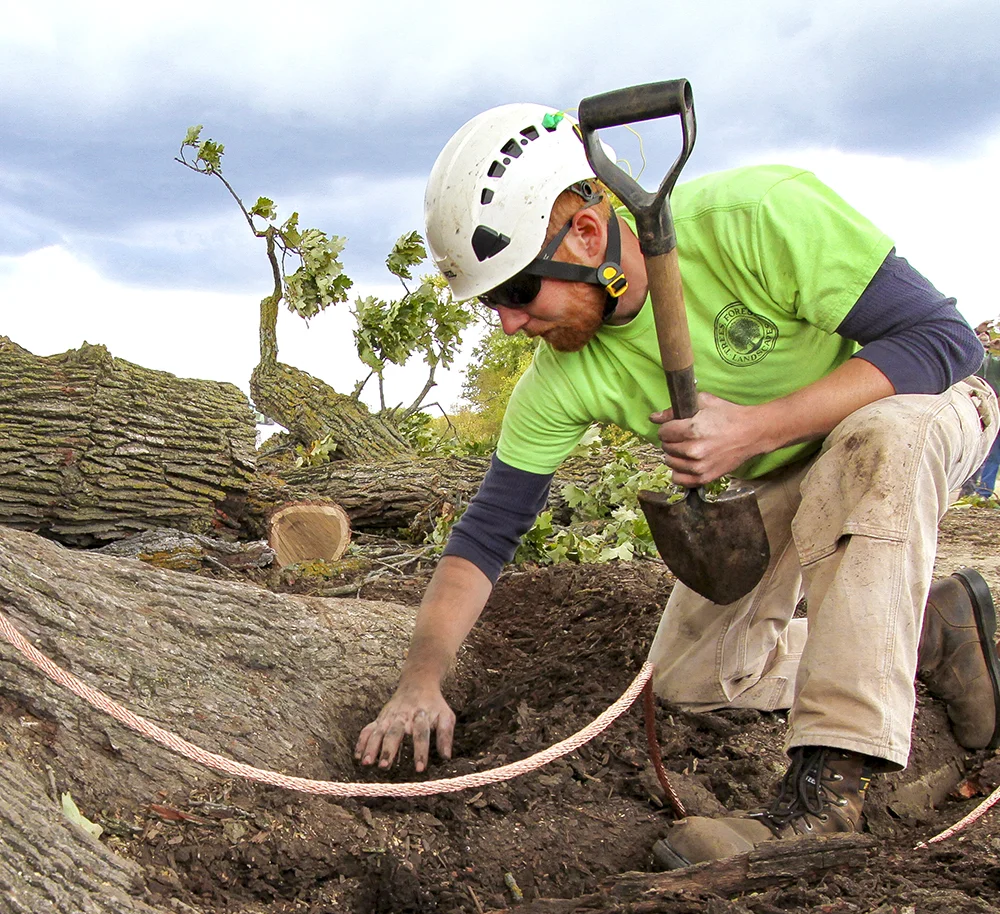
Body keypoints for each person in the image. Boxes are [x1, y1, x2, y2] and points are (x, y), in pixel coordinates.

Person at [355, 103, 1000, 867]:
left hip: (918, 411)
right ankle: (932, 628)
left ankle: (831, 792)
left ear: (587, 236)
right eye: (491, 302)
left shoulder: (755, 214)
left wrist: (758, 426)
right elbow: (486, 536)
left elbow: (943, 343)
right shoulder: (558, 380)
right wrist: (419, 681)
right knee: (695, 677)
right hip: (786, 469)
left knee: (873, 440)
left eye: (517, 291)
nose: (507, 324)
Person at [970, 322, 1000, 498]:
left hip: (994, 411)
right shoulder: (984, 361)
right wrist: (978, 333)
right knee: (980, 452)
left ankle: (983, 491)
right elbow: (966, 348)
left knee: (993, 454)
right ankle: (977, 491)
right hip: (981, 410)